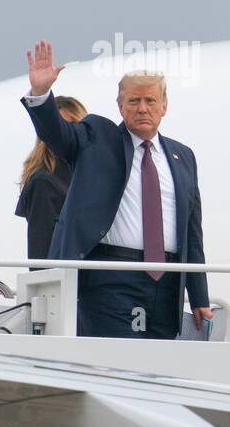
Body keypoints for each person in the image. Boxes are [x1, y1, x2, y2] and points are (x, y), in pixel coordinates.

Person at [20, 40, 214, 339]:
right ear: (120, 106)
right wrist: (41, 94)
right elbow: (56, 134)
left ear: (164, 106)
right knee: (116, 363)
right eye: (134, 101)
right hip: (112, 277)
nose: (142, 108)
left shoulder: (182, 156)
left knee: (158, 366)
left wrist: (199, 296)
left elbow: (192, 230)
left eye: (150, 101)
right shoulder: (98, 138)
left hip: (167, 282)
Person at [15, 95, 88, 264]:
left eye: (75, 126)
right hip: (66, 284)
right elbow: (41, 254)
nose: (68, 133)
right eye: (62, 126)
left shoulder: (93, 178)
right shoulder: (44, 182)